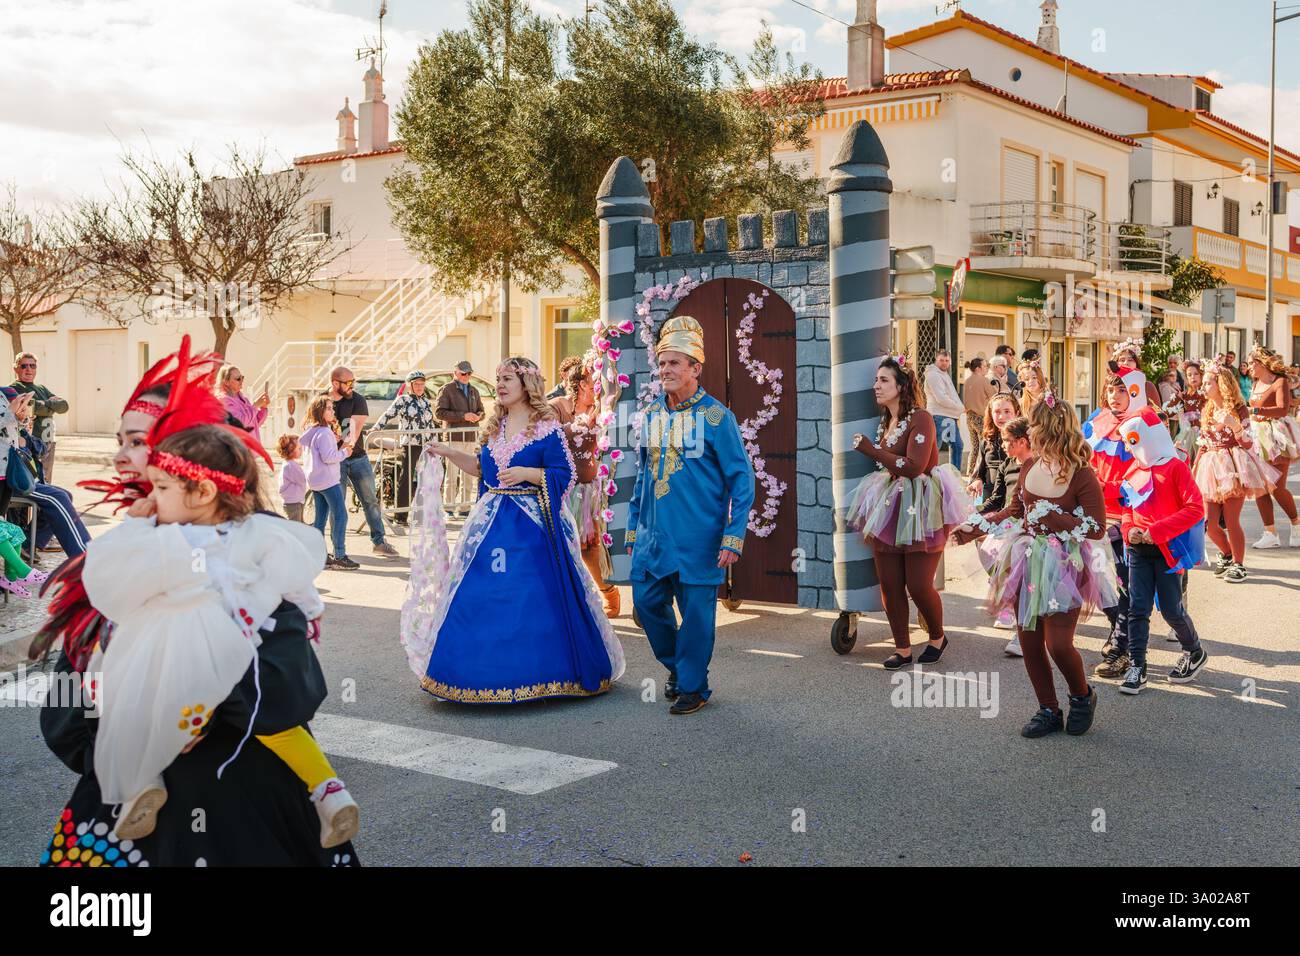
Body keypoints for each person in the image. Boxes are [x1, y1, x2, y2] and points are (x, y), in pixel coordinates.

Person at [32, 335, 360, 867]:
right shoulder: (114, 560)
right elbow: (66, 715)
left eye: (137, 442)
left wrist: (196, 708)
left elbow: (286, 693)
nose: (119, 456)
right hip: (126, 817)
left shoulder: (249, 550)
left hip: (244, 808)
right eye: (120, 440)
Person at [81, 423, 358, 847]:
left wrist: (137, 525)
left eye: (161, 488)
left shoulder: (172, 536)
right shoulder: (254, 530)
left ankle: (145, 781)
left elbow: (118, 570)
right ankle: (328, 790)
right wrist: (310, 610)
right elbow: (291, 572)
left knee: (127, 694)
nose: (152, 499)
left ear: (204, 493)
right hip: (237, 643)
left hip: (192, 648)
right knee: (274, 725)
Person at [404, 357, 625, 704]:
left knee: (528, 597)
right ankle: (477, 675)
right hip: (491, 521)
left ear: (527, 385)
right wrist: (447, 451)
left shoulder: (547, 427)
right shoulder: (495, 427)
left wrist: (528, 473)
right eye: (498, 379)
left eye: (508, 379)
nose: (501, 385)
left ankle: (540, 675)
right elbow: (482, 469)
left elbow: (563, 475)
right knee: (479, 594)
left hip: (532, 525)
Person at [955, 396, 1114, 738]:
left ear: (1051, 429)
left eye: (1036, 426)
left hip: (1065, 565)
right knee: (1029, 640)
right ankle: (1047, 708)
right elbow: (1015, 509)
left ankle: (1082, 696)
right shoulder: (1030, 467)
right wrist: (977, 527)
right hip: (1027, 560)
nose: (1031, 432)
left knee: (1058, 644)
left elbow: (1097, 527)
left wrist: (1054, 516)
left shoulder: (1081, 474)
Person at [626, 317, 755, 714]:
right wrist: (634, 527)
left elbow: (743, 481)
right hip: (654, 537)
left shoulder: (718, 418)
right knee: (647, 604)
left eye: (674, 364)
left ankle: (693, 687)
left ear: (695, 368)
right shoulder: (651, 415)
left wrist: (733, 537)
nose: (665, 371)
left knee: (697, 618)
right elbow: (644, 478)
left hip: (701, 540)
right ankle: (680, 669)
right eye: (662, 364)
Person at [847, 354, 969, 670]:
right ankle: (902, 648)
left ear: (901, 385)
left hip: (922, 506)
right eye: (876, 380)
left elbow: (914, 467)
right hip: (888, 504)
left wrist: (871, 450)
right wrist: (878, 449)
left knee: (917, 584)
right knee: (889, 582)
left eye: (883, 380)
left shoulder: (922, 417)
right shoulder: (885, 422)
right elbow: (892, 464)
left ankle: (938, 637)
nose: (876, 385)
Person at [1115, 409, 1209, 694]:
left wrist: (1157, 532)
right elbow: (1128, 509)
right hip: (1139, 551)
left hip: (1169, 552)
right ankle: (1138, 666)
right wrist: (1129, 530)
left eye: (1133, 440)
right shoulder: (1133, 469)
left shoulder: (1176, 467)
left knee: (1171, 609)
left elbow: (1195, 508)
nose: (1130, 448)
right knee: (1137, 608)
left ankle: (1194, 651)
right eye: (1128, 442)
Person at [1083, 365, 1151, 678]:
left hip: (1130, 516)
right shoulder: (1098, 419)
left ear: (1135, 392)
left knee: (1126, 581)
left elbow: (1148, 472)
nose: (1115, 396)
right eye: (1111, 389)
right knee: (1097, 575)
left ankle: (1123, 647)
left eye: (1122, 390)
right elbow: (1084, 460)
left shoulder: (1145, 422)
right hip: (1098, 512)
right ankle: (1117, 630)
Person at [1192, 356, 1280, 583]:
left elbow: (1249, 443)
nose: (1203, 386)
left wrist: (1236, 426)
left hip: (1235, 466)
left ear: (1221, 384)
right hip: (1210, 467)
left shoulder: (1239, 409)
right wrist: (1194, 471)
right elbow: (1203, 442)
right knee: (1210, 524)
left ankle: (1239, 564)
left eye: (1208, 382)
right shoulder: (1207, 409)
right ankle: (1227, 553)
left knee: (1231, 520)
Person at [550, 353, 619, 617]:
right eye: (594, 383)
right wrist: (574, 428)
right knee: (565, 546)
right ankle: (569, 601)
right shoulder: (558, 406)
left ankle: (609, 592)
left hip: (589, 489)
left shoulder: (601, 409)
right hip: (563, 489)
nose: (598, 388)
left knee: (590, 546)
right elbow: (545, 437)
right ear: (581, 385)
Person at [1, 393, 91, 558]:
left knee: (65, 495)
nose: (25, 410)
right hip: (10, 482)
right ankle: (84, 556)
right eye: (21, 405)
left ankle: (28, 544)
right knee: (57, 498)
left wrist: (24, 433)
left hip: (21, 478)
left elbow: (40, 448)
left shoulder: (15, 425)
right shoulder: (6, 419)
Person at [966, 393, 1024, 637]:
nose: (1000, 416)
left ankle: (1009, 599)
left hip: (1017, 504)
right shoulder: (989, 438)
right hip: (995, 494)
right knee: (985, 545)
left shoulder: (1023, 439)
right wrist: (976, 480)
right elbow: (980, 466)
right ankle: (999, 581)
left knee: (1009, 552)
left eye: (1006, 411)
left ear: (1016, 412)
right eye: (996, 412)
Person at [329, 366, 399, 557]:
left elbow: (354, 431)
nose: (353, 385)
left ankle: (379, 542)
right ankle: (338, 549)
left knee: (370, 500)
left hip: (357, 456)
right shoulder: (323, 401)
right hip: (333, 461)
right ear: (335, 383)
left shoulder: (357, 400)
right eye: (348, 382)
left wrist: (341, 444)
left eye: (354, 381)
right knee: (337, 504)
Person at [1245, 345, 1300, 548]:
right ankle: (1270, 533)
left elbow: (1283, 409)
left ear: (1262, 363)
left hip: (1277, 437)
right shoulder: (1255, 382)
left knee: (1277, 487)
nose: (1249, 367)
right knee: (1259, 487)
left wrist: (1257, 410)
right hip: (1256, 435)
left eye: (1252, 363)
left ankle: (1296, 524)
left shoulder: (1280, 381)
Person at [373, 370, 436, 525]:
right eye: (417, 384)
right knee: (406, 478)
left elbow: (430, 424)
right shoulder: (403, 400)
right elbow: (388, 414)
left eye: (422, 384)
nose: (420, 387)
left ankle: (423, 515)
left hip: (426, 444)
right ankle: (400, 516)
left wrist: (435, 442)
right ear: (410, 385)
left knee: (426, 478)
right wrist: (376, 428)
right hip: (410, 444)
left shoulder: (426, 402)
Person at [301, 395, 357, 570]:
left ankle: (320, 555)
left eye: (332, 408)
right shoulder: (324, 433)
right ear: (320, 411)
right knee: (341, 515)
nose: (332, 411)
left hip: (315, 480)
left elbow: (320, 452)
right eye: (329, 408)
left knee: (320, 519)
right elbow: (329, 457)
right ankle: (339, 555)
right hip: (328, 481)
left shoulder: (313, 431)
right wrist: (345, 453)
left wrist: (335, 440)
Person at [10, 353, 68, 483]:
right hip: (31, 443)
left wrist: (44, 404)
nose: (28, 369)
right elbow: (30, 408)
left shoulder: (41, 388)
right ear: (15, 368)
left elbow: (64, 406)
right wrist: (51, 405)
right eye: (24, 366)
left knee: (47, 481)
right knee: (33, 482)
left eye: (32, 365)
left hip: (48, 442)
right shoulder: (14, 389)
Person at [924, 350, 966, 473]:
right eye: (941, 360)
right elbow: (941, 398)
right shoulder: (934, 375)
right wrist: (959, 407)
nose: (944, 363)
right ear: (936, 360)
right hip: (939, 416)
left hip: (948, 416)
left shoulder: (943, 374)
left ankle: (954, 475)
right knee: (935, 448)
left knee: (957, 445)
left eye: (946, 360)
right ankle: (929, 474)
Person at [217, 365, 269, 447]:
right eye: (238, 379)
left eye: (242, 377)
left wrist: (263, 407)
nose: (241, 381)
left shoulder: (243, 399)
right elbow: (240, 424)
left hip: (251, 452)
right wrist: (255, 405)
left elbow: (255, 423)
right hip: (239, 453)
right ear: (226, 382)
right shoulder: (224, 401)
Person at [962, 357, 997, 471]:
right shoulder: (984, 380)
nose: (986, 368)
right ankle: (983, 471)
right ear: (978, 368)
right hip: (981, 417)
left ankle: (970, 471)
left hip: (969, 417)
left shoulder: (967, 381)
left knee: (975, 446)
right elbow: (994, 395)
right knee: (986, 445)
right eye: (985, 366)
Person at [435, 360, 485, 429]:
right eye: (463, 373)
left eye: (469, 373)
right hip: (453, 437)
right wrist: (463, 416)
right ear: (455, 373)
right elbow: (439, 413)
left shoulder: (474, 390)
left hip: (473, 436)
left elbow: (481, 411)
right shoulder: (446, 389)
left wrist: (479, 416)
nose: (466, 376)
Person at [1174, 360, 1206, 464]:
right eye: (1189, 375)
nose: (1193, 377)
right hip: (1186, 434)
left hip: (1202, 434)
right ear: (1186, 378)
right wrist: (1177, 399)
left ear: (1201, 375)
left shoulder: (1206, 394)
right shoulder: (1184, 395)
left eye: (1196, 374)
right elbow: (1168, 411)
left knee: (1201, 462)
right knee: (1185, 461)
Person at [278, 433, 307, 522]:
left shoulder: (289, 463)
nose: (301, 450)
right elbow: (303, 480)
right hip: (294, 503)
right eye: (298, 448)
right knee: (295, 528)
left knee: (297, 526)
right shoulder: (291, 466)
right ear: (291, 451)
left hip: (293, 501)